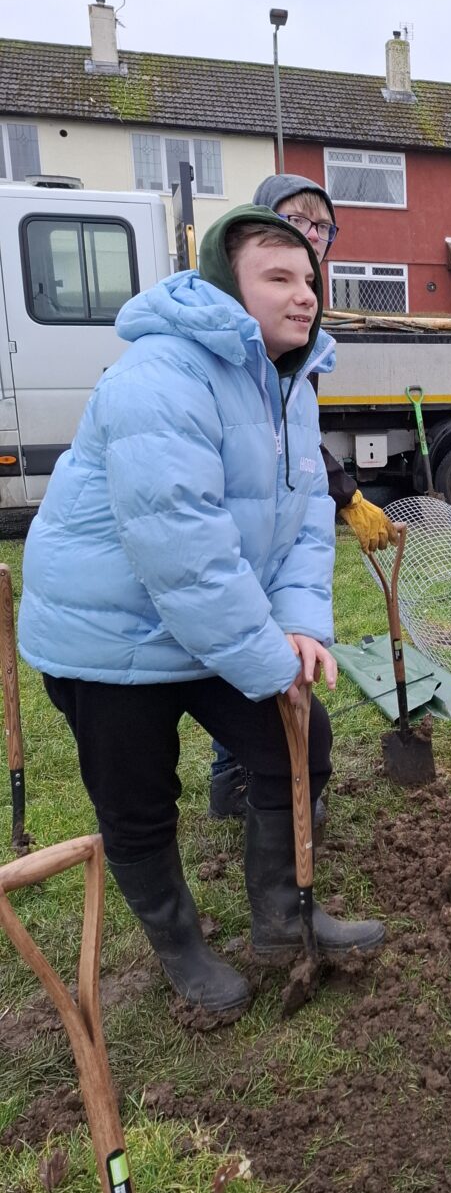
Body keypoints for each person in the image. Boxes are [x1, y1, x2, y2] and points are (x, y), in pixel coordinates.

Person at [18, 205, 385, 1018]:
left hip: (205, 622)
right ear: (227, 289)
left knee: (300, 742)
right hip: (105, 632)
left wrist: (300, 629)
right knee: (137, 797)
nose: (305, 297)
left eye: (310, 280)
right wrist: (267, 661)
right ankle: (179, 947)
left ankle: (281, 918)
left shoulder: (289, 383)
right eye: (278, 279)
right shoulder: (161, 379)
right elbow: (184, 555)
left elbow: (299, 527)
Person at [208, 174, 398, 820]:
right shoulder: (224, 340)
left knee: (259, 644)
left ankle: (250, 778)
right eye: (299, 219)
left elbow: (297, 441)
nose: (313, 236)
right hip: (230, 530)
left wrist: (338, 495)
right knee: (235, 655)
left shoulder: (300, 338)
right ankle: (238, 777)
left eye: (323, 227)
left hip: (270, 529)